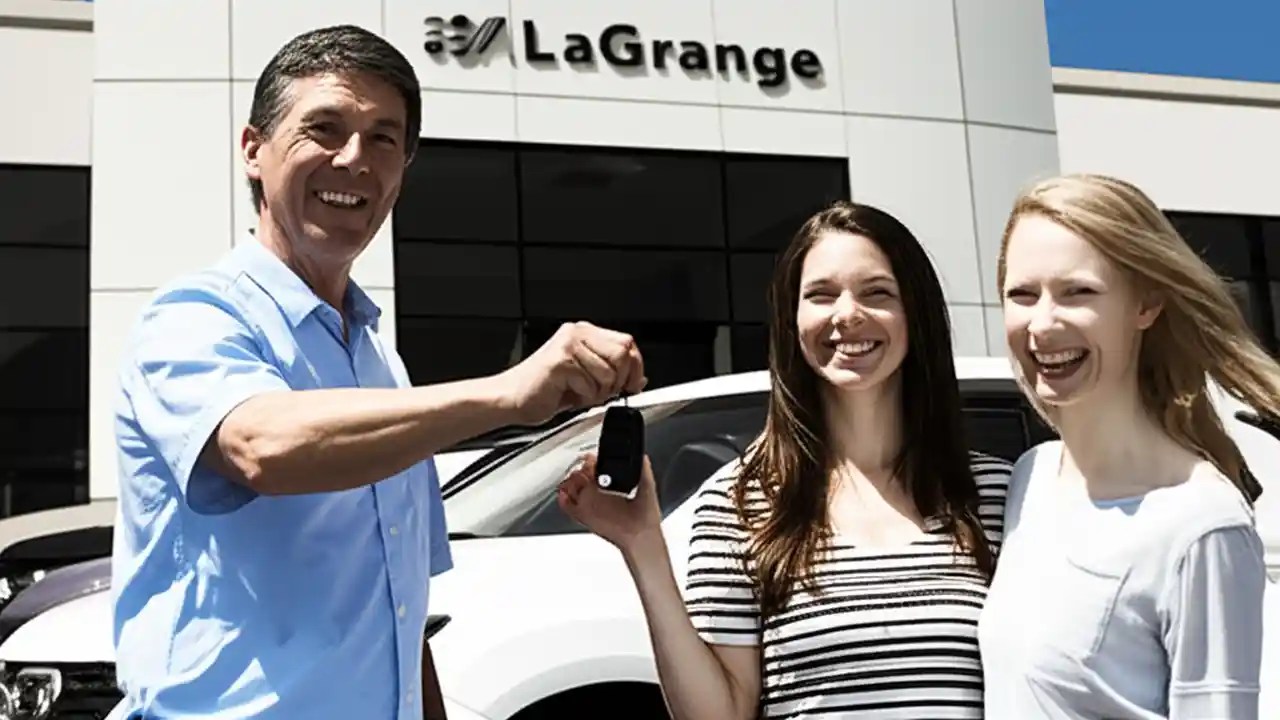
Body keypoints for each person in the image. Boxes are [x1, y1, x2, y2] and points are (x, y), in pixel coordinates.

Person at [107, 25, 646, 720]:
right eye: (324, 129)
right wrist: (506, 393)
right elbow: (262, 446)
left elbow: (399, 609)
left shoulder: (378, 359)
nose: (355, 159)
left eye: (383, 139)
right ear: (253, 151)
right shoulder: (193, 316)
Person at [557, 200, 1013, 718]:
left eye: (877, 293)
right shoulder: (737, 502)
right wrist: (642, 544)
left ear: (917, 314)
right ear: (792, 320)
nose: (847, 314)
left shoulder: (997, 494)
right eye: (820, 295)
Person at [979, 173, 1279, 719]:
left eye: (1078, 292)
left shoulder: (1201, 523)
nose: (1042, 324)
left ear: (1146, 304)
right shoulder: (1031, 476)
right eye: (1023, 295)